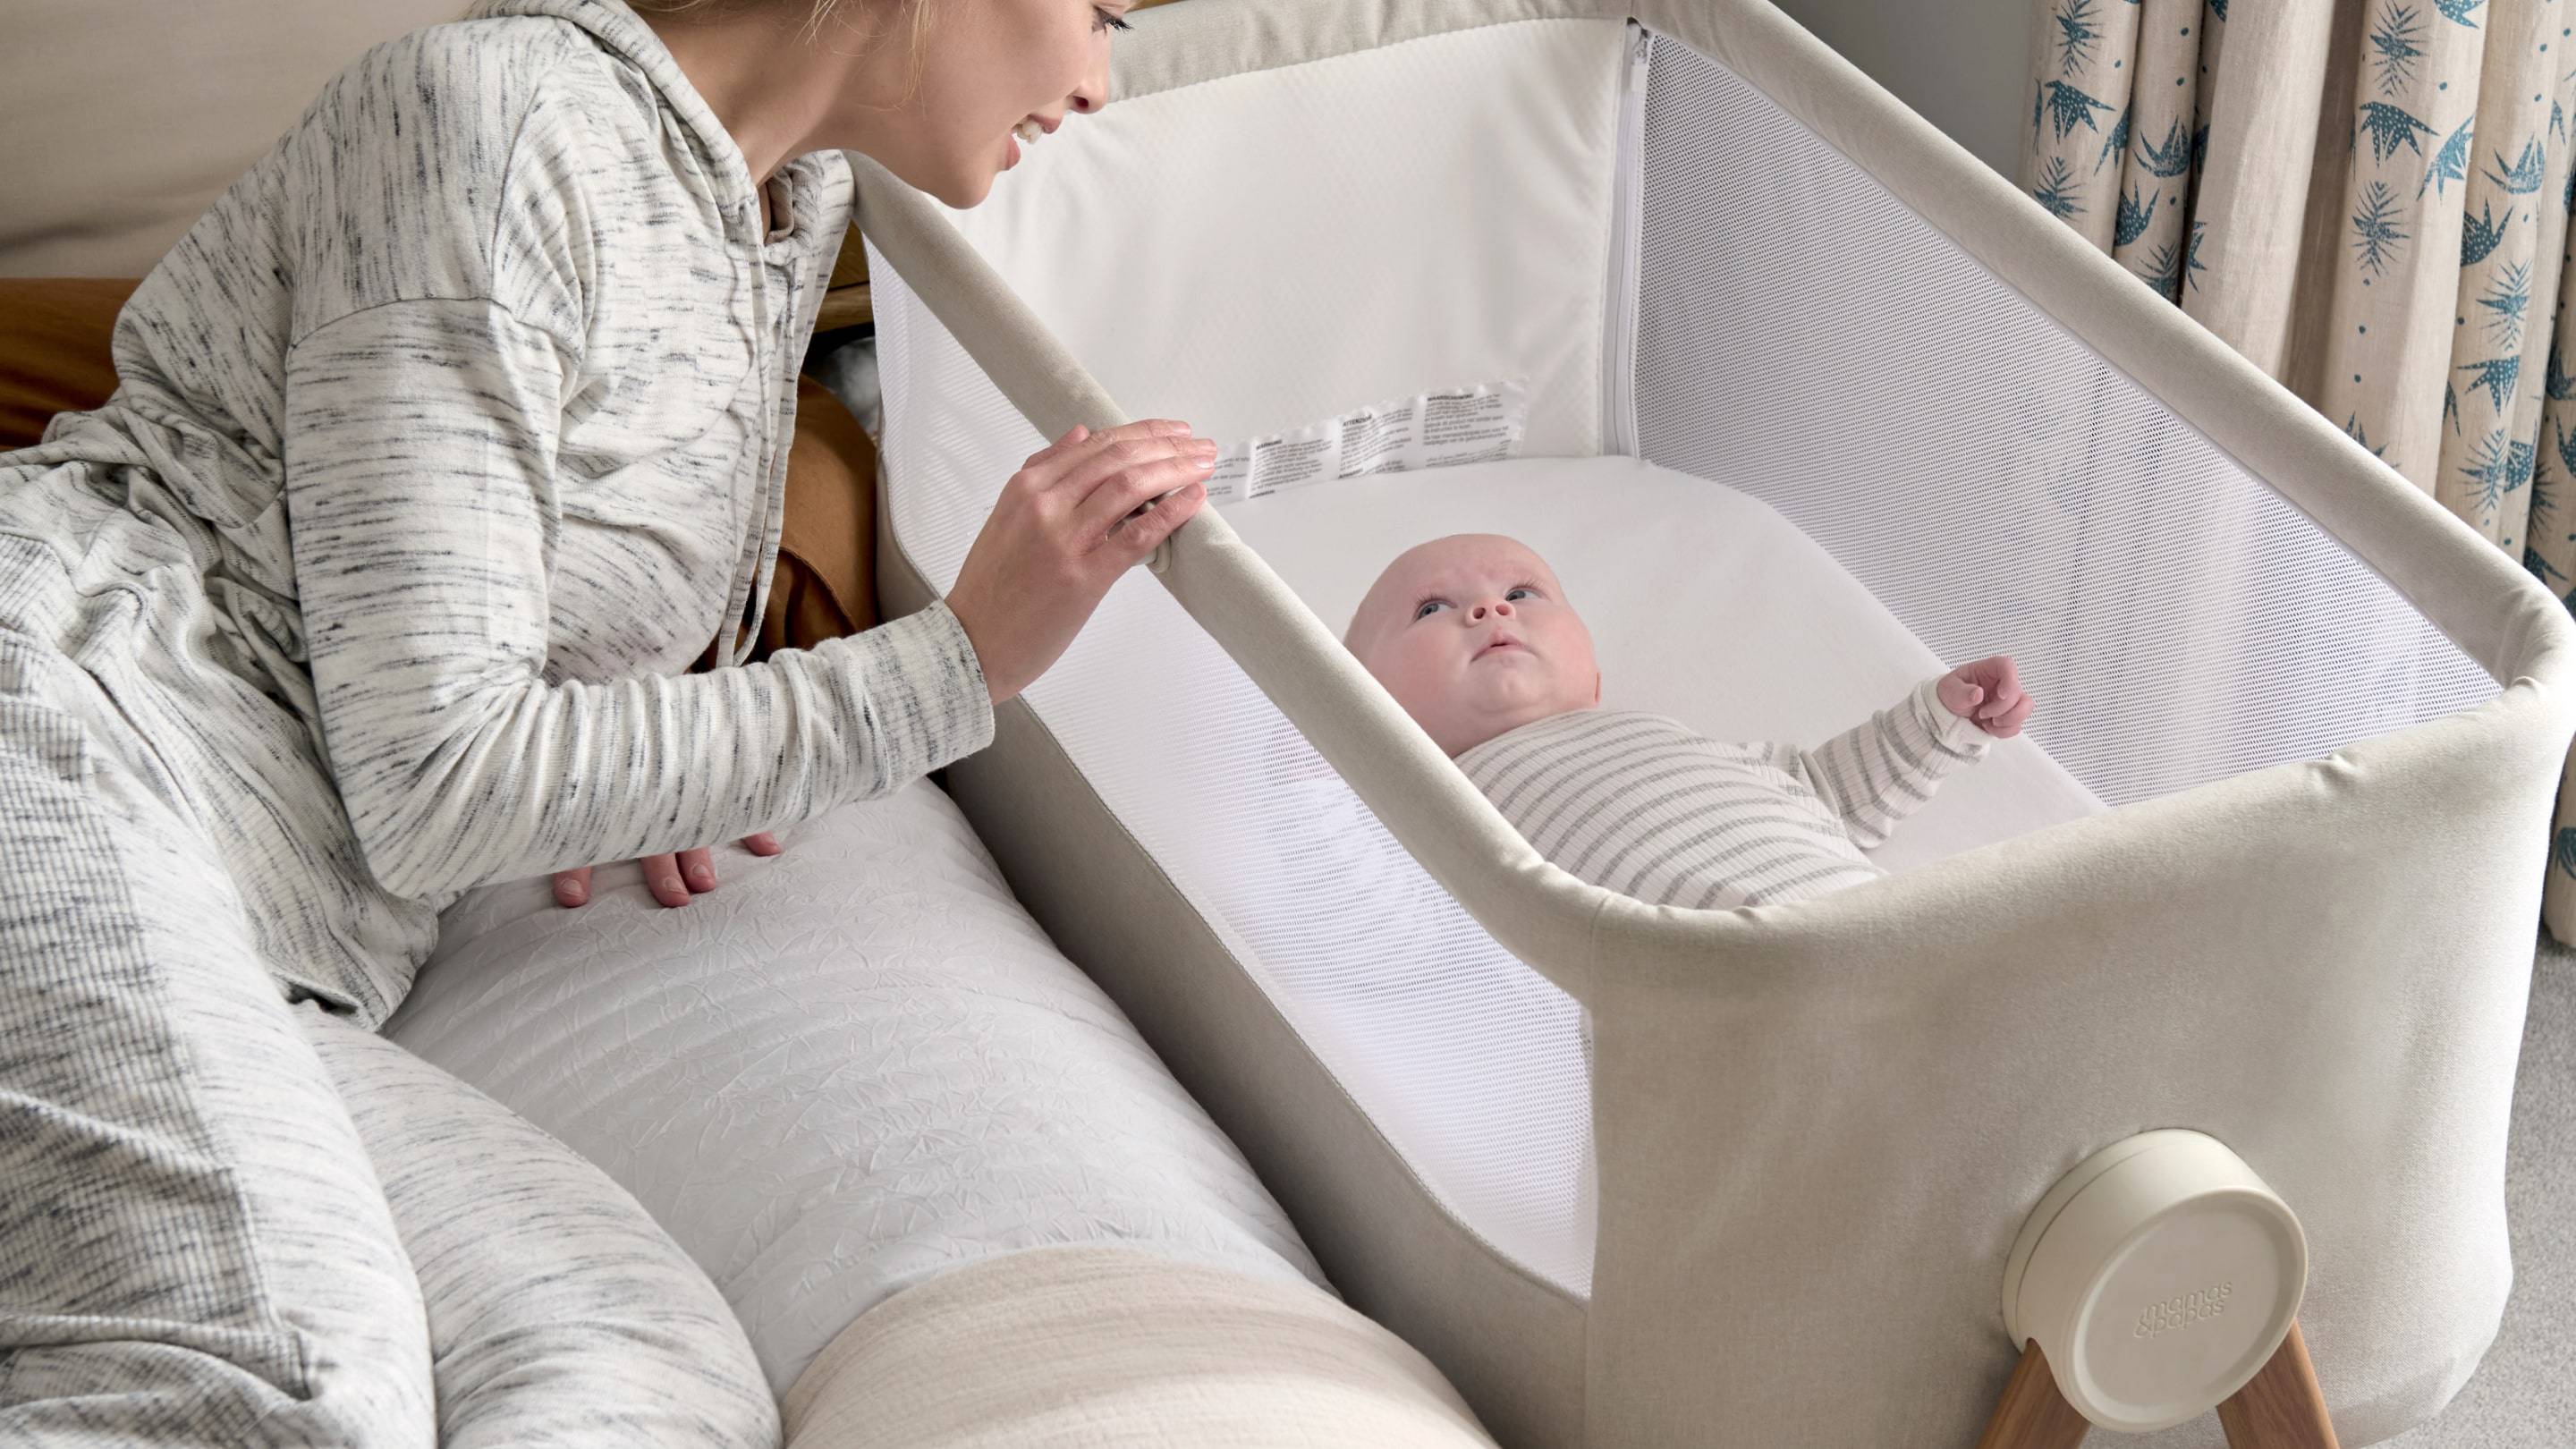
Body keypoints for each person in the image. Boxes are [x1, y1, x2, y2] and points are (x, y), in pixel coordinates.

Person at [0, 0, 1208, 1440]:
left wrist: (655, 758)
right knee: (283, 1389)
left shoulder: (781, 204)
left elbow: (512, 635)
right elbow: (441, 779)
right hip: (71, 727)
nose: (1099, 82)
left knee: (638, 1376)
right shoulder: (496, 122)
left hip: (271, 934)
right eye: (1099, 11)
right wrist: (957, 665)